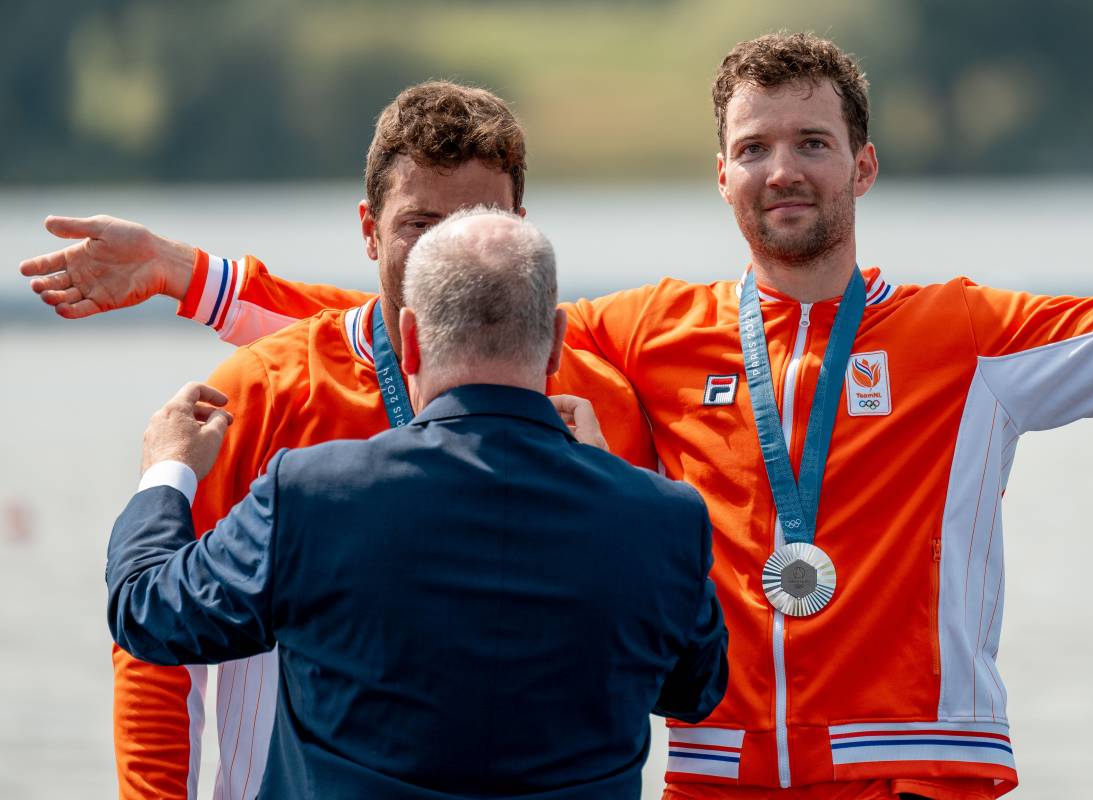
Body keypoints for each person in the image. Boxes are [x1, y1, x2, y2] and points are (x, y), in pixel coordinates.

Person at [20, 32, 1093, 800]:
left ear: (866, 165)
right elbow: (452, 321)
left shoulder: (971, 334)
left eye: (812, 145)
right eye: (754, 147)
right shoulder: (650, 332)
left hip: (918, 771)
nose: (783, 168)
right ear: (721, 174)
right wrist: (199, 279)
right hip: (717, 775)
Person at [22, 81, 658, 800]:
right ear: (369, 229)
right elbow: (159, 646)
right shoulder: (265, 390)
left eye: (474, 222)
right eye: (419, 225)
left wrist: (195, 277)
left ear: (519, 224)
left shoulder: (595, 406)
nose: (446, 258)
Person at [107, 208, 728, 799]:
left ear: (408, 340)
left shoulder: (312, 495)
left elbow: (148, 610)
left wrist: (171, 469)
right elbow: (695, 687)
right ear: (558, 341)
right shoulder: (661, 518)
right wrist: (610, 480)